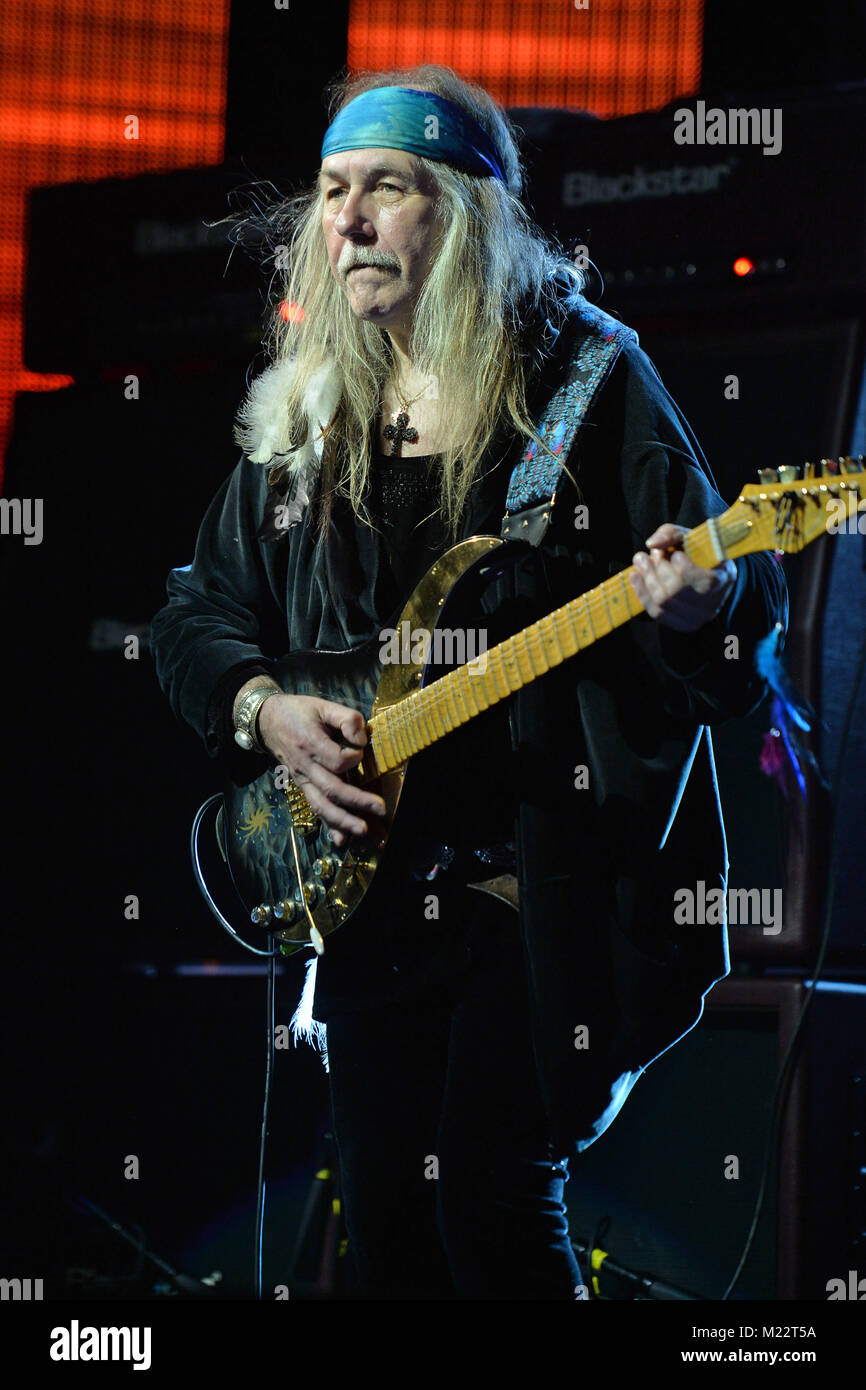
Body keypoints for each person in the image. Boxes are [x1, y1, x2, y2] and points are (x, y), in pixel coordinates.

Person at [150, 64, 787, 1300]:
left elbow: (728, 625)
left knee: (491, 1202)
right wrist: (264, 710)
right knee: (389, 1218)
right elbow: (197, 610)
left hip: (534, 883)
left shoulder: (588, 381)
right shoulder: (313, 412)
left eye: (386, 186)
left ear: (465, 210)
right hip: (375, 893)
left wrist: (703, 603)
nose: (348, 219)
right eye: (332, 191)